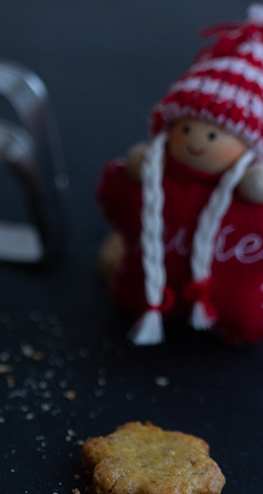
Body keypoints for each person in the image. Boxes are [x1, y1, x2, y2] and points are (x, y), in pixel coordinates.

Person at [97, 4, 263, 345]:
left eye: (216, 135)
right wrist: (133, 172)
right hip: (149, 295)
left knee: (244, 316)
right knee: (131, 291)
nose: (198, 141)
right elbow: (114, 198)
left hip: (226, 303)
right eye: (185, 127)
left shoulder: (249, 200)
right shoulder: (155, 178)